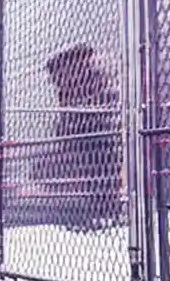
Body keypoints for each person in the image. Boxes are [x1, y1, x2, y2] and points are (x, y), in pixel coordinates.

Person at [44, 44, 122, 231]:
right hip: (82, 136)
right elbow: (65, 113)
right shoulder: (67, 87)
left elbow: (107, 101)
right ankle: (96, 211)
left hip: (97, 135)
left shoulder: (92, 80)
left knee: (102, 172)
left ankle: (107, 211)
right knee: (90, 173)